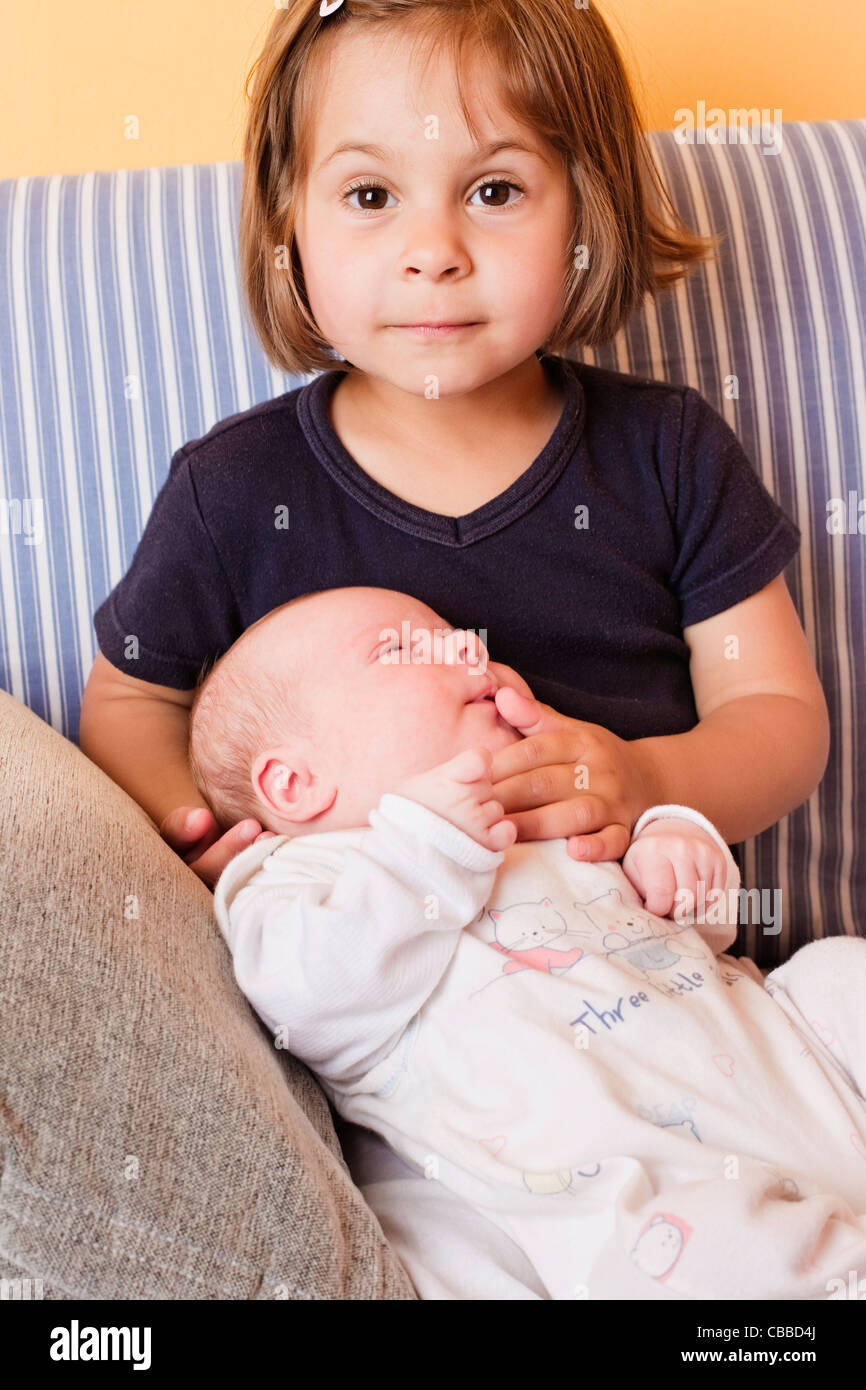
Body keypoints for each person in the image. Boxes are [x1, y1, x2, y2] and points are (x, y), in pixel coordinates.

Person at [78, 0, 830, 1296]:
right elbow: (128, 696)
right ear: (288, 228)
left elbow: (777, 713)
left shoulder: (663, 450)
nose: (430, 251)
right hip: (451, 1055)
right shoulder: (233, 485)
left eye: (491, 189)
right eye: (369, 195)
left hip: (687, 985)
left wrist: (647, 781)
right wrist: (202, 829)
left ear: (584, 211)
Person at [189, 586, 866, 1301]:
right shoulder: (297, 879)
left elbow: (694, 934)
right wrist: (425, 849)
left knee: (836, 972)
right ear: (294, 784)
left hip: (796, 1075)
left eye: (460, 635)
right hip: (644, 1185)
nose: (468, 647)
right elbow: (309, 997)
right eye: (404, 648)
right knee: (685, 1254)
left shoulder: (547, 802)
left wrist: (676, 849)